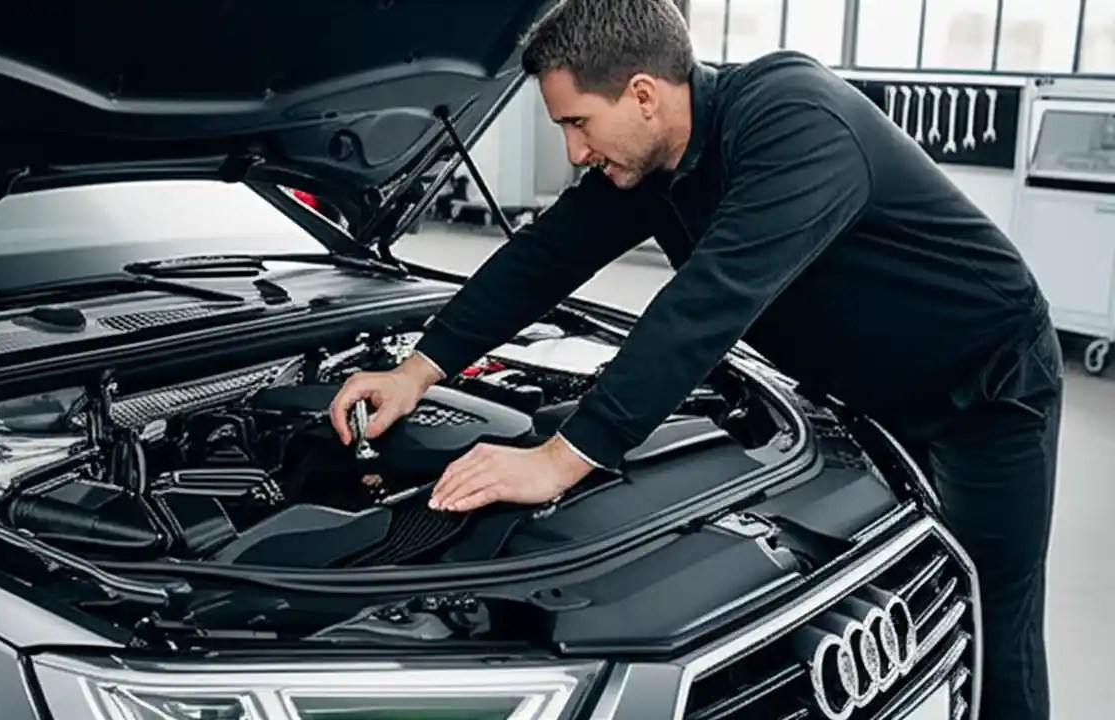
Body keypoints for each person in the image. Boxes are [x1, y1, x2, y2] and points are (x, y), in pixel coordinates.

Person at [329, 0, 1060, 716]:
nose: (575, 152)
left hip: (985, 387)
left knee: (992, 613)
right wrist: (417, 370)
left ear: (643, 94)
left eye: (577, 123)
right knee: (886, 600)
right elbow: (541, 260)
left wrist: (563, 456)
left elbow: (709, 302)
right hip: (867, 392)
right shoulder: (645, 168)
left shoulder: (797, 122)